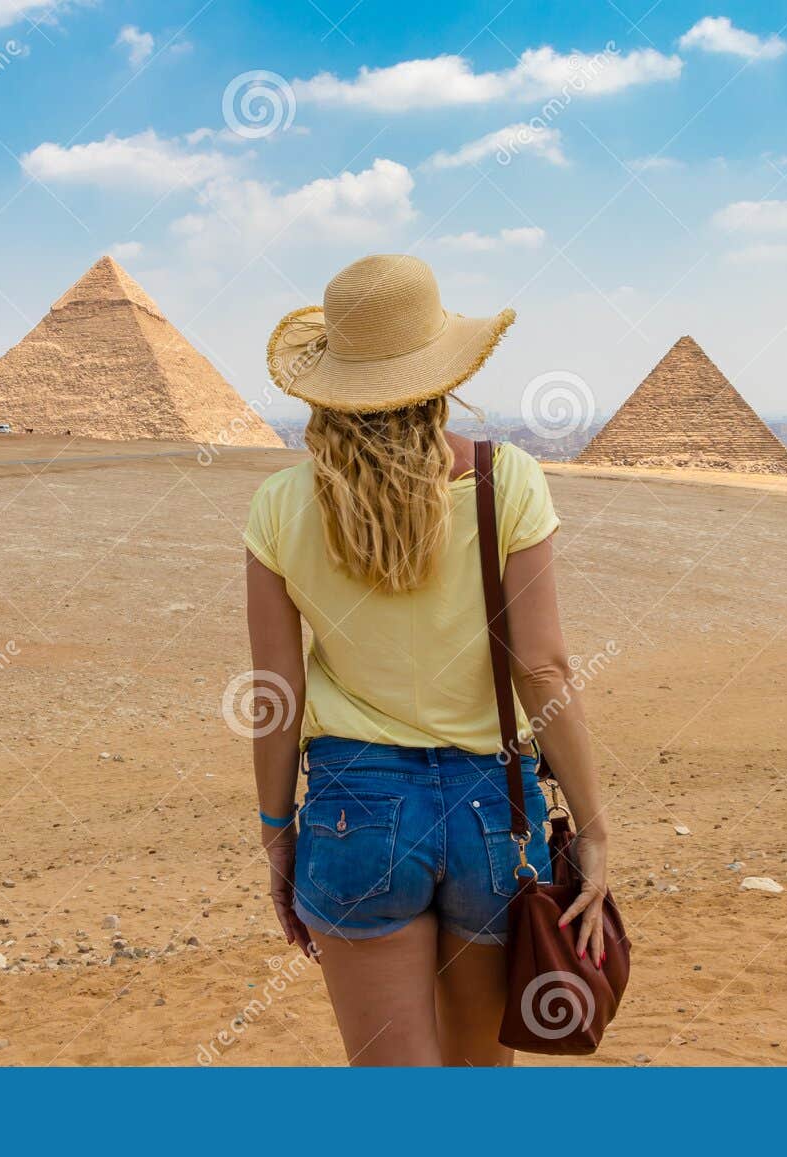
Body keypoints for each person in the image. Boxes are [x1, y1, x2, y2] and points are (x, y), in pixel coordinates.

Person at [242, 254, 609, 1066]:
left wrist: (276, 831)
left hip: (352, 811)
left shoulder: (277, 505)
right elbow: (543, 668)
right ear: (441, 372)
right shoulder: (506, 480)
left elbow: (276, 690)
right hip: (491, 811)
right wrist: (593, 827)